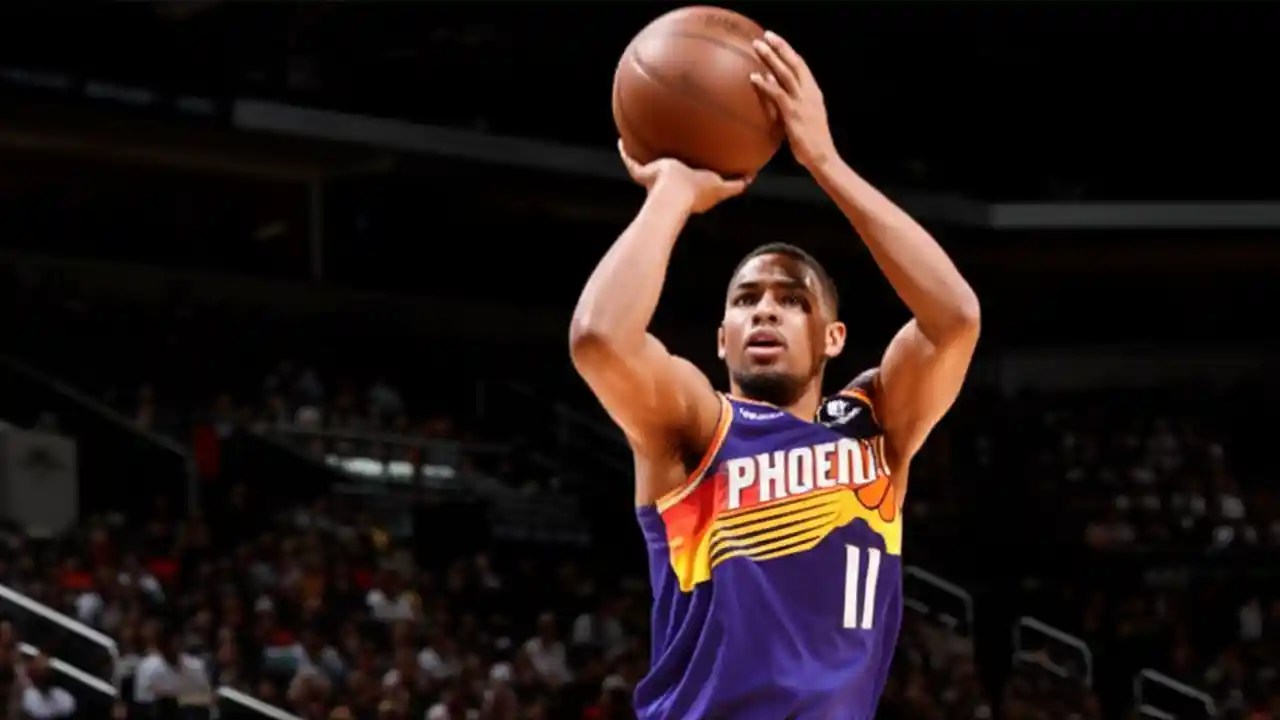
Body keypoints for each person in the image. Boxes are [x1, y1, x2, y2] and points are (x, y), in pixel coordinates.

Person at [569, 30, 980, 720]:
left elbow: (955, 320)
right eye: (746, 299)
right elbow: (598, 338)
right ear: (722, 340)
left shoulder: (874, 429)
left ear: (832, 338)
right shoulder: (697, 429)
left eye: (792, 300)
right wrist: (672, 192)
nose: (767, 310)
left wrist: (824, 162)